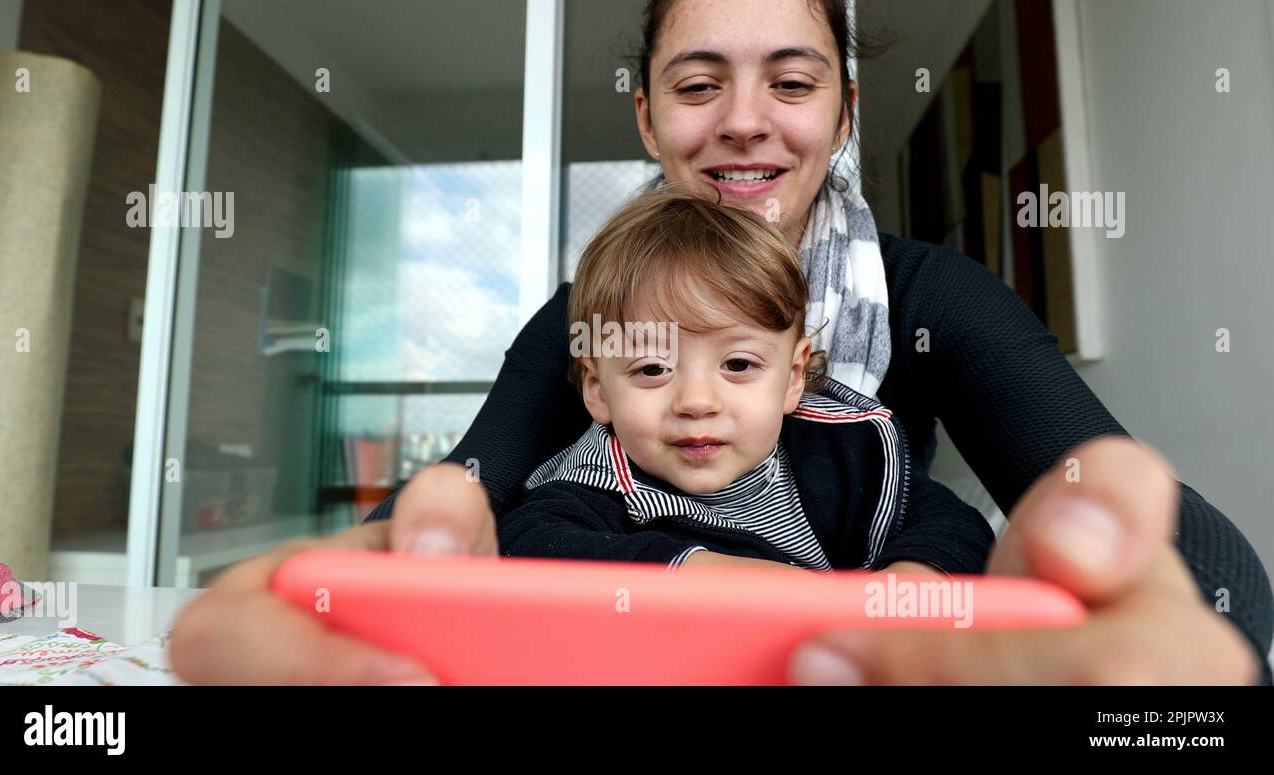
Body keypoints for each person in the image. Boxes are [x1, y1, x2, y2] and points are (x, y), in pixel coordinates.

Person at [169, 0, 1270, 685]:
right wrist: (354, 594)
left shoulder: (930, 311)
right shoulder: (575, 323)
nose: (744, 119)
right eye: (698, 85)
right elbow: (446, 526)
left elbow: (1211, 582)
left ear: (842, 115)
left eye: (791, 82)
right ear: (647, 117)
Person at [499, 187, 994, 576]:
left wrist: (909, 579)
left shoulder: (846, 449)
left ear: (793, 378)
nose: (696, 401)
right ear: (598, 391)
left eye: (738, 365)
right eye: (652, 369)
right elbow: (527, 547)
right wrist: (709, 575)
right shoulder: (591, 490)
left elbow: (953, 525)